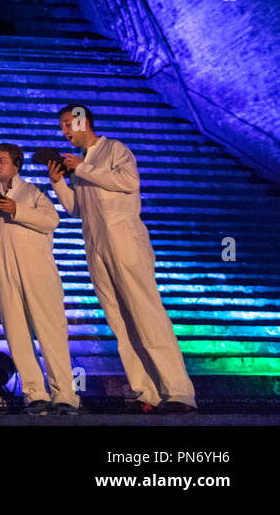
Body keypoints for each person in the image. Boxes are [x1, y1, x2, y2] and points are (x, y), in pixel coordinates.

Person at [47, 104, 196, 413]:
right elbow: (77, 209)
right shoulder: (82, 163)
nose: (64, 131)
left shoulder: (114, 149)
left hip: (125, 241)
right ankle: (147, 393)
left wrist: (82, 168)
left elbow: (129, 182)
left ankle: (179, 392)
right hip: (96, 246)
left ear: (83, 121)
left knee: (146, 314)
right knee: (120, 322)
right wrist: (59, 182)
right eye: (62, 125)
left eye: (67, 124)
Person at [0, 143, 79, 415]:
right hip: (4, 273)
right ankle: (35, 394)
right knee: (17, 335)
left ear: (16, 164)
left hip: (37, 272)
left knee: (50, 334)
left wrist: (16, 209)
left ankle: (64, 395)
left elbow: (51, 221)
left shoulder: (32, 192)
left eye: (2, 160)